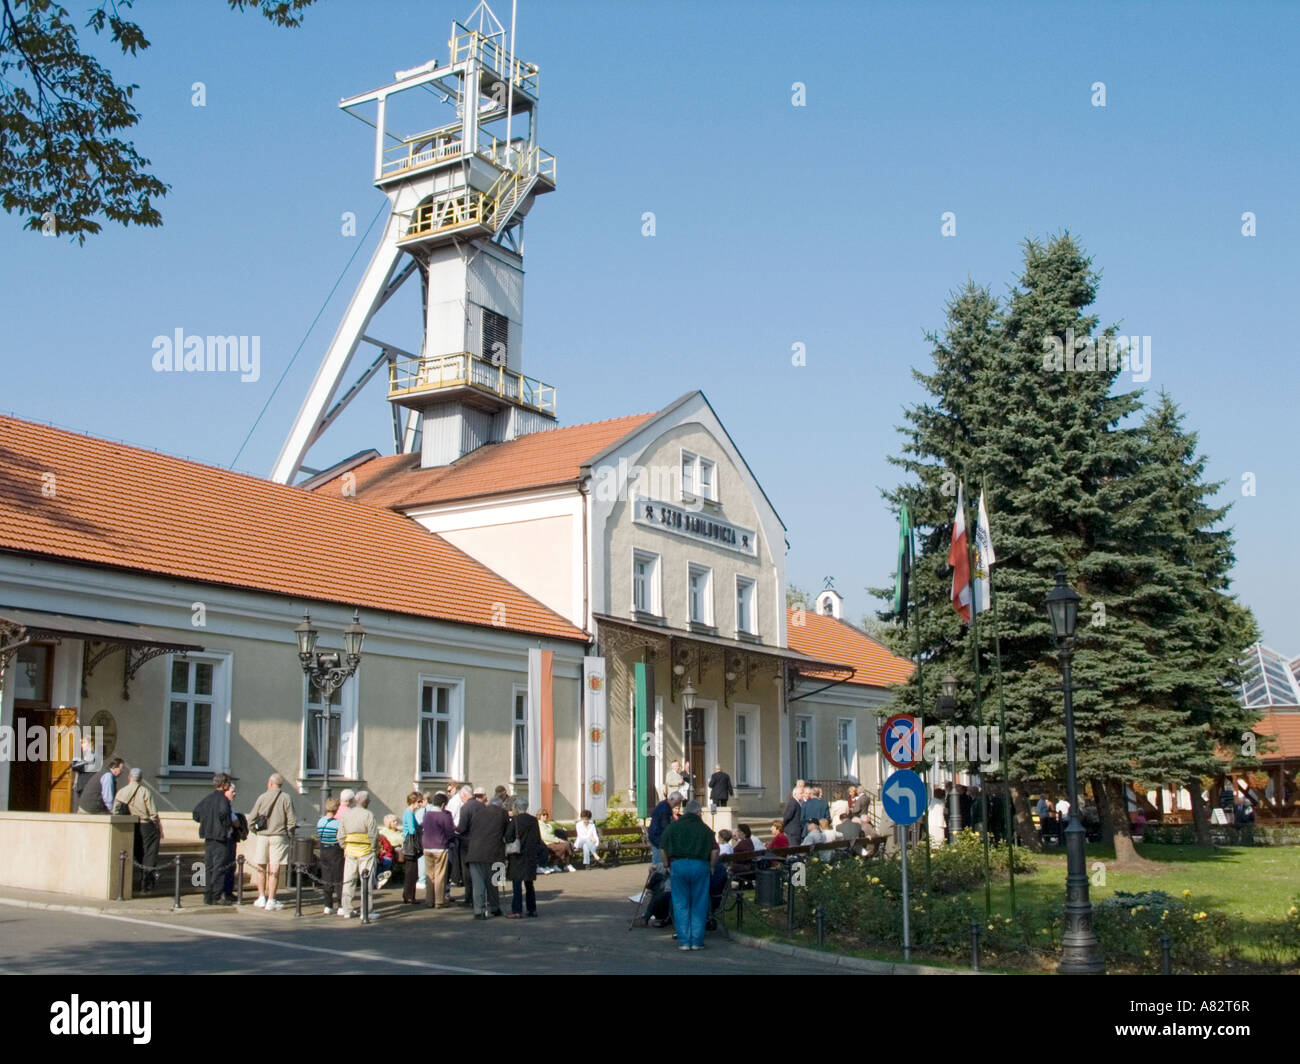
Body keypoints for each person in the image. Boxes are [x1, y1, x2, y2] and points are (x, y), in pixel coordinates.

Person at [660, 799, 718, 951]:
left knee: (680, 903)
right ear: (699, 812)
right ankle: (697, 941)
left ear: (685, 812)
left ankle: (684, 941)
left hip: (678, 865)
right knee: (699, 903)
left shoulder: (673, 827)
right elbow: (715, 851)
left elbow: (662, 849)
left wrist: (667, 865)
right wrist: (711, 866)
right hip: (700, 865)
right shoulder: (706, 830)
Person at [247, 773, 296, 911]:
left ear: (270, 783)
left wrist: (256, 831)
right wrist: (290, 835)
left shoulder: (262, 797)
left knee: (260, 867)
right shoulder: (286, 798)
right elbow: (291, 821)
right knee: (274, 868)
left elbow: (251, 819)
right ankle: (271, 899)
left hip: (263, 835)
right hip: (279, 836)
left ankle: (261, 897)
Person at [459, 786, 507, 919]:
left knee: (478, 883)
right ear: (500, 805)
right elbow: (507, 834)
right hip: (494, 853)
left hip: (474, 852)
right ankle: (495, 908)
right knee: (494, 882)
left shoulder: (479, 813)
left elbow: (471, 830)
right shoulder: (502, 813)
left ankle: (479, 911)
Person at [113, 767, 161, 893]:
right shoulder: (145, 791)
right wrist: (157, 825)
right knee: (149, 853)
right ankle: (146, 883)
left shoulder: (121, 792)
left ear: (129, 778)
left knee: (137, 852)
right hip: (145, 825)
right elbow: (153, 813)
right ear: (141, 778)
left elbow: (115, 811)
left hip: (129, 825)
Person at [192, 773, 233, 906]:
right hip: (220, 837)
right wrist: (226, 826)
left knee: (209, 867)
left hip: (208, 836)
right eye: (228, 783)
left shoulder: (208, 798)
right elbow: (224, 814)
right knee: (219, 868)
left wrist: (206, 821)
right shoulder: (223, 800)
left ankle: (207, 895)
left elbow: (196, 813)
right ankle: (216, 896)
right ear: (224, 784)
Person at [338, 789, 379, 920]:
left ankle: (347, 909)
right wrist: (373, 849)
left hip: (350, 851)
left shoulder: (347, 814)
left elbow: (340, 835)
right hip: (366, 852)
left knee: (348, 881)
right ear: (366, 802)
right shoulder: (368, 815)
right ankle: (366, 911)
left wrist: (345, 846)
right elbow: (373, 835)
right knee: (366, 881)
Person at [504, 796, 541, 917]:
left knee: (517, 884)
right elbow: (537, 839)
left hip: (517, 856)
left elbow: (508, 837)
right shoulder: (534, 820)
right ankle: (532, 909)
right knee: (529, 884)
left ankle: (517, 910)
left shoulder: (515, 820)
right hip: (530, 856)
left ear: (516, 807)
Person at [422, 792, 456, 908]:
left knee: (429, 875)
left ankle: (429, 900)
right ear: (442, 805)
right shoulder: (444, 816)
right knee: (440, 875)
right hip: (440, 847)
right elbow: (450, 832)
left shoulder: (426, 815)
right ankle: (439, 901)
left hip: (427, 847)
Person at [317, 796, 344, 915]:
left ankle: (327, 905)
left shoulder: (321, 821)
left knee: (326, 877)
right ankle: (341, 905)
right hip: (335, 850)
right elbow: (341, 837)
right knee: (338, 878)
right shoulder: (338, 823)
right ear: (337, 808)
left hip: (323, 850)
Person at [222, 779, 247, 902]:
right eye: (232, 791)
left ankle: (226, 892)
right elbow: (235, 822)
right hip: (226, 839)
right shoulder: (226, 805)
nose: (234, 793)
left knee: (229, 866)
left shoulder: (227, 805)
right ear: (225, 792)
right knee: (228, 866)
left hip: (225, 839)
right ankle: (226, 892)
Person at [647, 792, 681, 867]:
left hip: (655, 836)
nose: (676, 805)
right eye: (677, 803)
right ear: (672, 799)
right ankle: (657, 876)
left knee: (657, 861)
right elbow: (665, 826)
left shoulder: (663, 804)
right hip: (658, 837)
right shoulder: (665, 809)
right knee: (659, 863)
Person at [401, 793, 423, 903]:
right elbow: (411, 830)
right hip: (410, 845)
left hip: (409, 844)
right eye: (419, 802)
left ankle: (408, 895)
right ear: (413, 802)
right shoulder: (409, 813)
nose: (420, 804)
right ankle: (409, 896)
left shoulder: (409, 813)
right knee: (411, 872)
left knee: (412, 871)